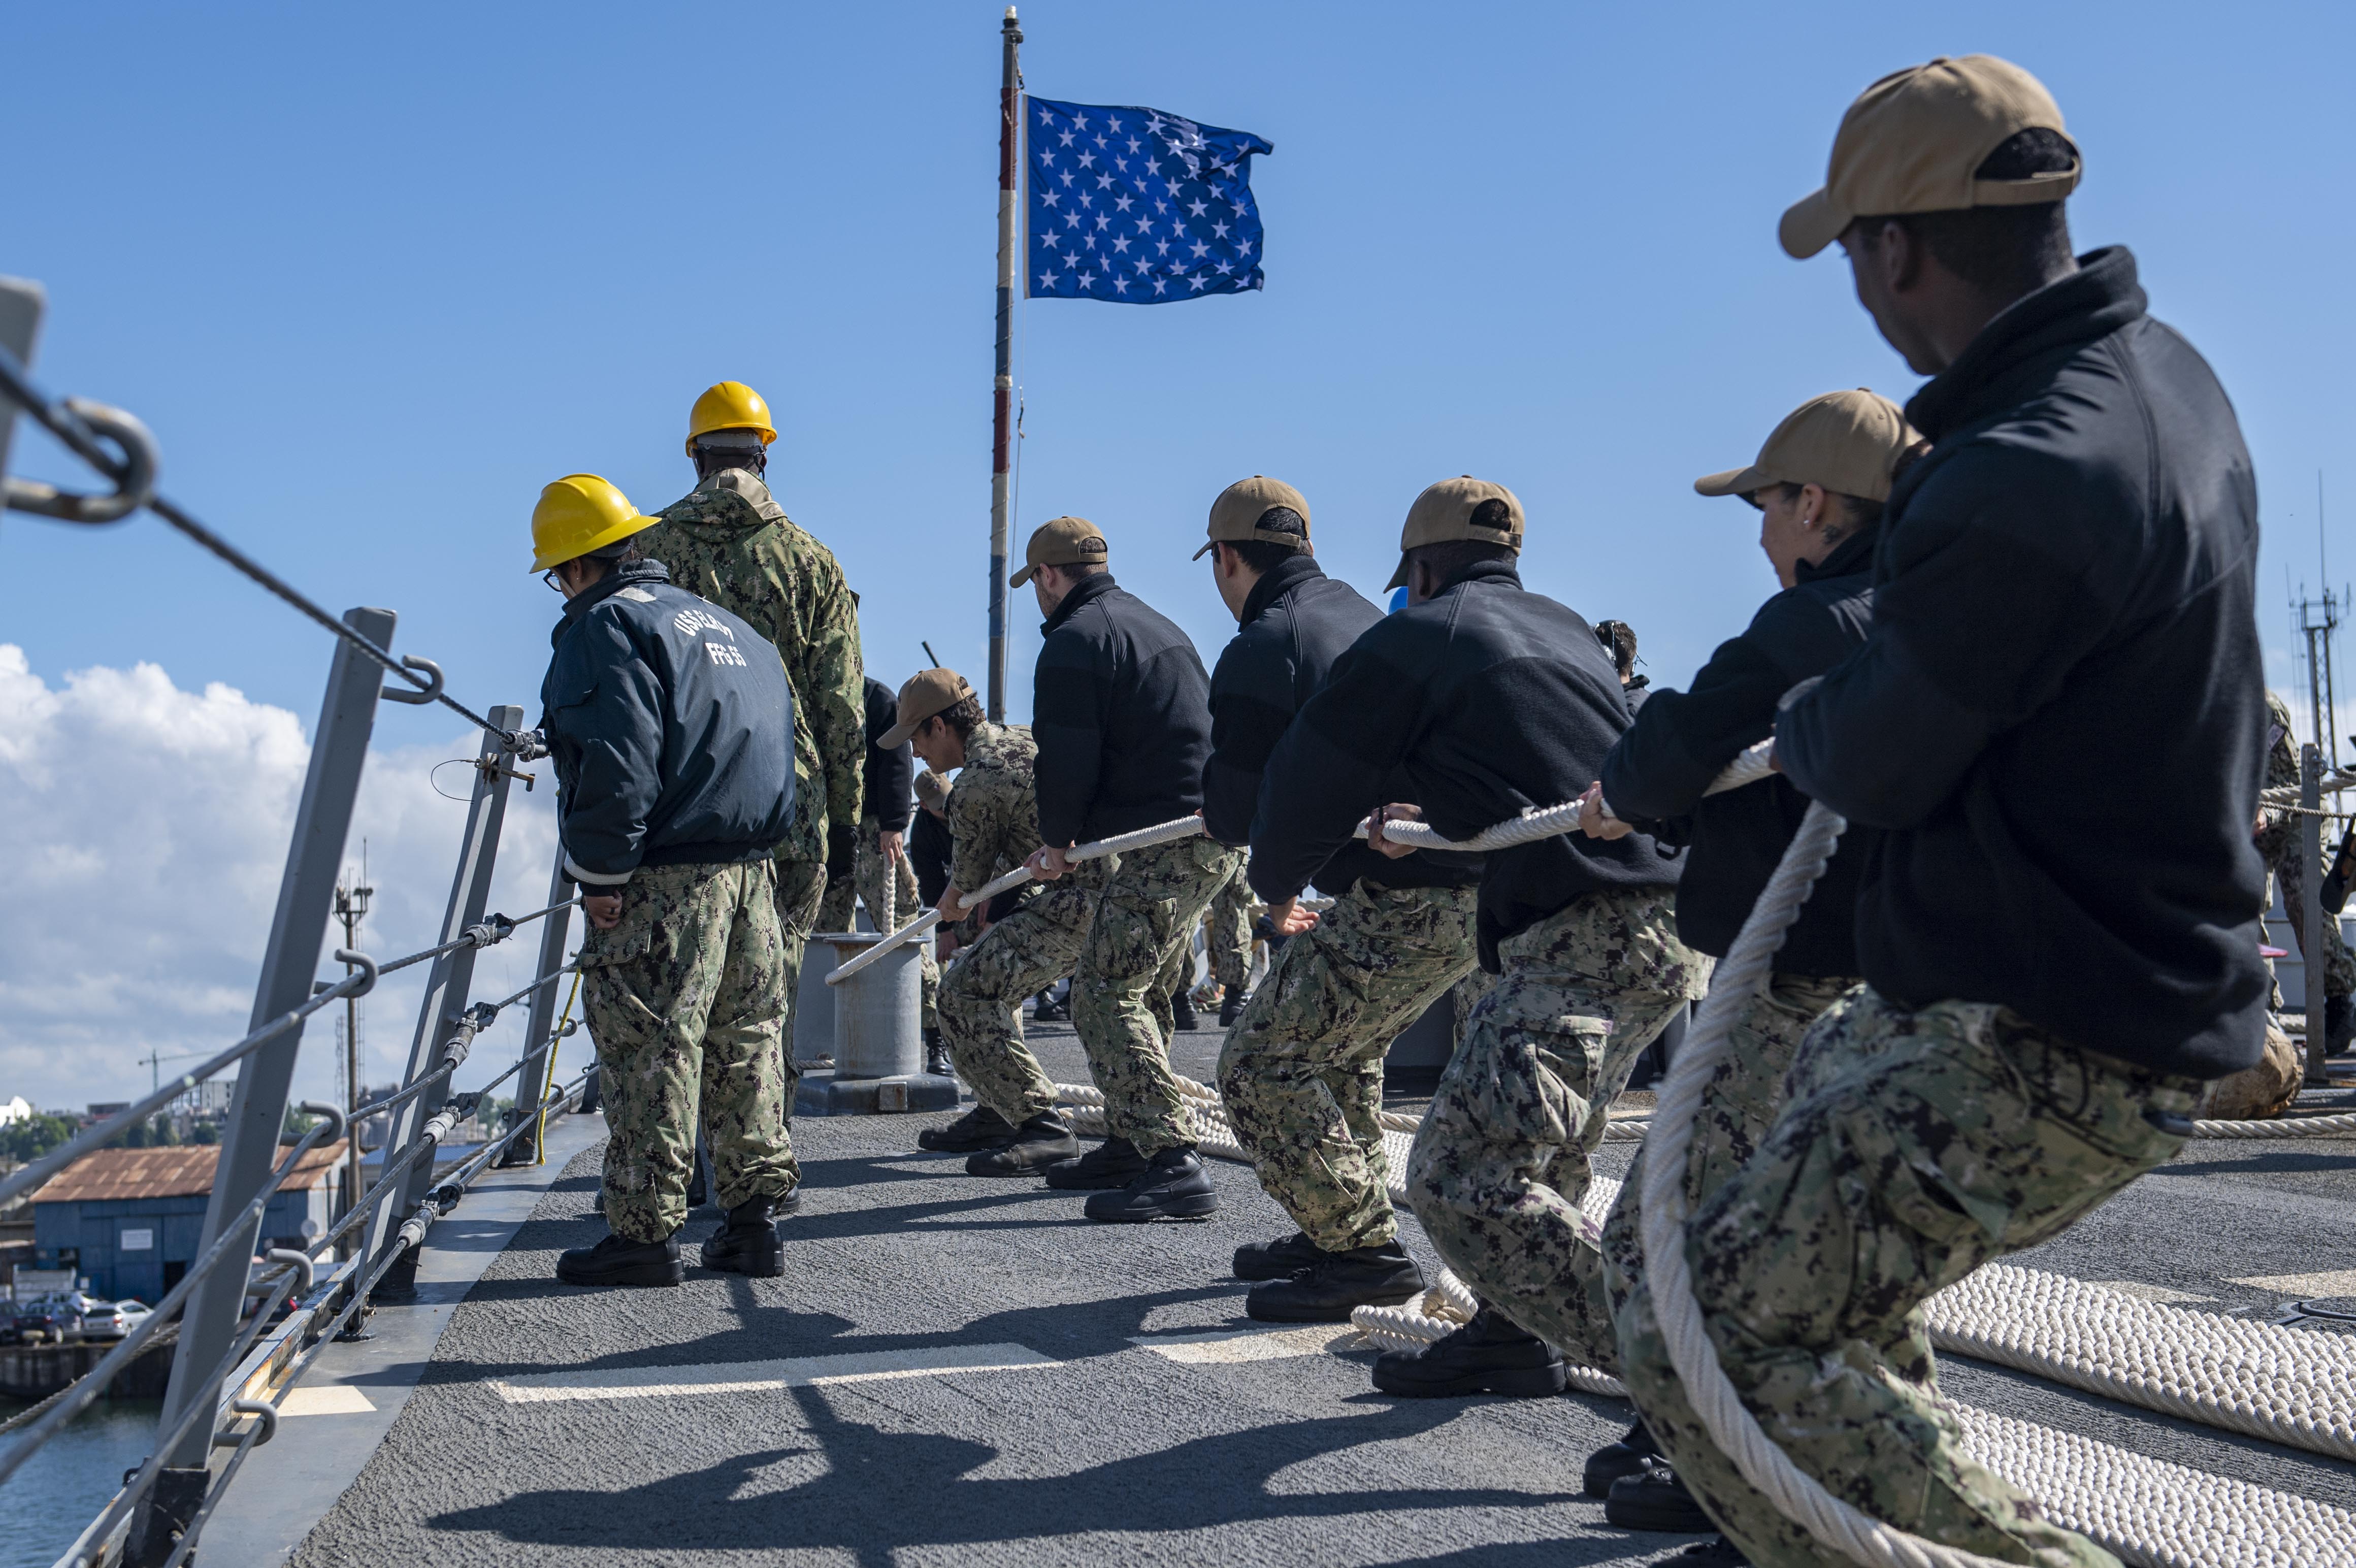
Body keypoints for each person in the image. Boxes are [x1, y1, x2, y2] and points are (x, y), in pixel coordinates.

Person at [1609, 57, 2269, 1568]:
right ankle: (1828, 1503)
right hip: (2048, 991)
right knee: (1792, 1298)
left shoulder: (2017, 477)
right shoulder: (2167, 380)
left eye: (1850, 250)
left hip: (2048, 1034)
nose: (1855, 280)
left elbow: (1867, 758)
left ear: (1891, 250)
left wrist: (1805, 715)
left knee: (1690, 1324)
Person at [1252, 476, 1703, 1391]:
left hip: (1583, 932)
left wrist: (1275, 880)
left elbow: (1304, 781)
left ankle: (1691, 1385)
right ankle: (1513, 1330)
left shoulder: (1422, 633)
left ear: (1419, 567)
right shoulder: (1568, 628)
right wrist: (1445, 803)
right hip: (1663, 925)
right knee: (1547, 1154)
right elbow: (1546, 768)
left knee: (1458, 1173)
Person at [1574, 389, 1919, 1539]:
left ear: (1811, 502)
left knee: (1659, 1234)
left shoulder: (1807, 626)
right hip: (1907, 995)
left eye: (1765, 506)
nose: (1760, 530)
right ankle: (1786, 1465)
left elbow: (1673, 749)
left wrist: (1617, 798)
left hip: (1786, 990)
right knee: (1836, 1248)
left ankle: (1721, 1469)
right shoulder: (1937, 615)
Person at [1194, 475, 1482, 1323]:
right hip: (1454, 885)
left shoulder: (1263, 642)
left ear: (1227, 558)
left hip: (1403, 895)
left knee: (1255, 1062)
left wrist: (1273, 888)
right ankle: (1336, 1225)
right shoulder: (1368, 614)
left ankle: (1361, 1249)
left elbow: (1229, 812)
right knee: (1344, 1050)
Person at [530, 474, 802, 1288]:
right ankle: (752, 1225)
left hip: (666, 879)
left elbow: (616, 758)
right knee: (743, 1042)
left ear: (575, 566)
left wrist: (601, 874)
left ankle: (644, 1234)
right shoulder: (727, 627)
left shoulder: (604, 626)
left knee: (650, 1043)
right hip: (753, 872)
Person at [1016, 516, 1240, 1221]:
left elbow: (1068, 757)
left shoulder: (1074, 642)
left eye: (1037, 586)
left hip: (1167, 840)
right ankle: (1133, 1139)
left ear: (1050, 577)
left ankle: (1172, 1162)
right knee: (1140, 993)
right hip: (1203, 833)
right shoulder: (1156, 624)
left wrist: (1054, 842)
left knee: (1105, 994)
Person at [636, 380, 865, 1060]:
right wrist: (848, 823)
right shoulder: (812, 563)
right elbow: (842, 708)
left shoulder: (648, 555)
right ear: (764, 455)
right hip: (789, 808)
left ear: (695, 458)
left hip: (681, 809)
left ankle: (683, 1158)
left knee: (675, 1007)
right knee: (769, 1014)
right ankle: (759, 1159)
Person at [892, 668, 1090, 1174]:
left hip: (1084, 901)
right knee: (985, 972)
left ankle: (1040, 1126)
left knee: (961, 993)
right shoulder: (1020, 738)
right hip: (1091, 893)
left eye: (916, 736)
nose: (915, 752)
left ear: (939, 726)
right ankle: (997, 1110)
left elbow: (964, 889)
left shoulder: (978, 781)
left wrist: (949, 912)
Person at [816, 675, 944, 1068]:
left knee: (900, 931)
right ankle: (830, 1040)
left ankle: (934, 1039)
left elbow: (896, 761)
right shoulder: (817, 693)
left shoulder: (877, 699)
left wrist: (893, 824)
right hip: (830, 829)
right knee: (826, 935)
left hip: (875, 830)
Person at [2258, 689, 2355, 1054]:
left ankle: (2339, 1000)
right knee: (2239, 904)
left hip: (2296, 817)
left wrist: (2269, 814)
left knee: (2304, 896)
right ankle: (2262, 1012)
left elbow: (2297, 790)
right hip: (2245, 824)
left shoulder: (2261, 708)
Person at [1196, 856, 1257, 1026]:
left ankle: (1178, 1002)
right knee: (1232, 902)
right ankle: (1235, 999)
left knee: (1172, 905)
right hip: (1226, 843)